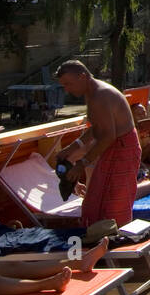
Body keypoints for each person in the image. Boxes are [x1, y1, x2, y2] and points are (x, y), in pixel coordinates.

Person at [55, 60, 142, 228]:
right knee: (96, 201)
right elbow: (98, 127)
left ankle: (113, 245)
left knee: (110, 204)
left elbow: (108, 136)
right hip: (119, 146)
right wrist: (72, 147)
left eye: (68, 84)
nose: (67, 89)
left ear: (82, 76)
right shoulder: (93, 92)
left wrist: (81, 164)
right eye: (64, 85)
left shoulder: (99, 96)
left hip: (121, 148)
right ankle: (105, 244)